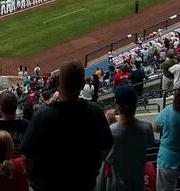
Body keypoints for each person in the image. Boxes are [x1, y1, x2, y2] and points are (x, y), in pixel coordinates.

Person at [21, 60, 114, 191]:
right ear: (82, 84)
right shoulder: (96, 112)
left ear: (58, 83)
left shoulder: (41, 116)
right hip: (84, 184)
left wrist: (32, 177)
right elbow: (106, 147)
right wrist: (91, 168)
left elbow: (26, 157)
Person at [102, 85, 153, 191]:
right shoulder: (147, 127)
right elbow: (129, 133)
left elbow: (104, 157)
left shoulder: (111, 132)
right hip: (138, 185)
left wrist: (107, 124)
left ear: (117, 106)